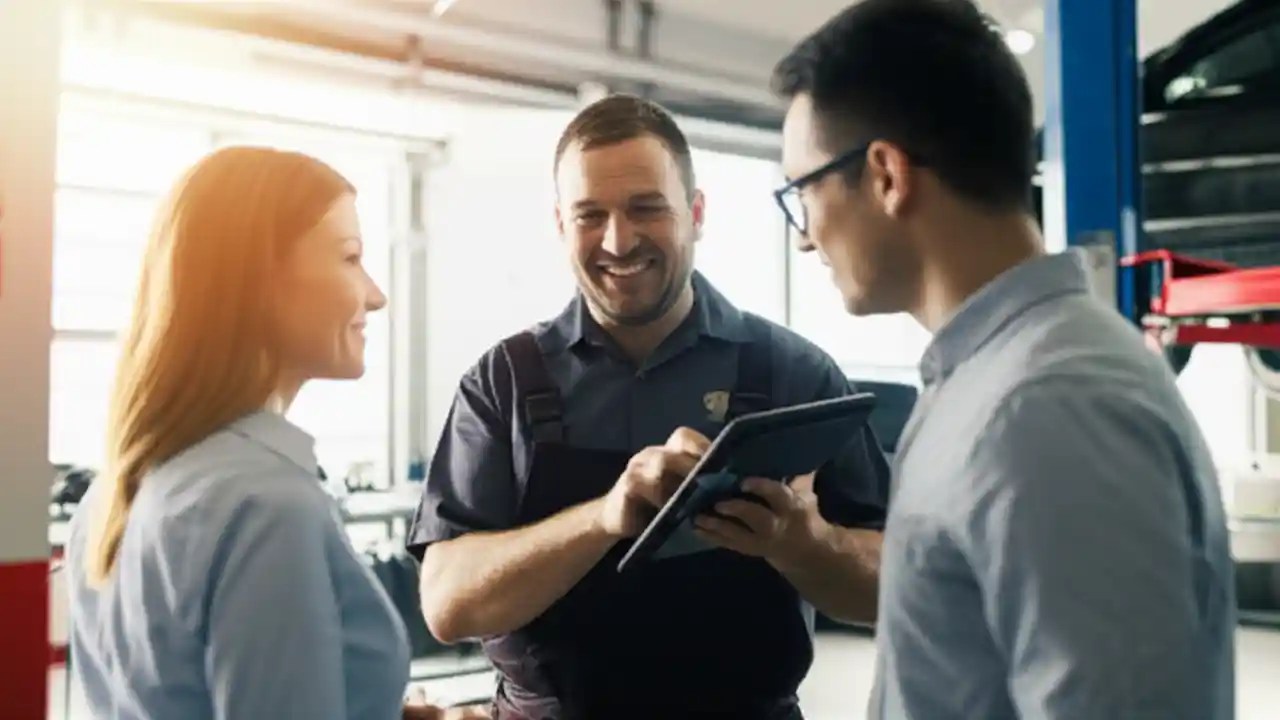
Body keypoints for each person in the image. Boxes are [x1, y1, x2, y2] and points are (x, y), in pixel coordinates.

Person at [772, 1, 1237, 719]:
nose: (804, 239)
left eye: (804, 193)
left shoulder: (1048, 407)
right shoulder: (987, 378)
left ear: (887, 175)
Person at [408, 94, 890, 719]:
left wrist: (802, 542)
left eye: (645, 208)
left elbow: (892, 587)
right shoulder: (502, 384)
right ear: (561, 225)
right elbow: (448, 606)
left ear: (695, 213)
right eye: (590, 215)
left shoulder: (797, 375)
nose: (618, 239)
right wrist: (602, 518)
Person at [64, 145, 455, 720]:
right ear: (258, 279)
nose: (375, 294)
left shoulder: (110, 499)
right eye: (349, 258)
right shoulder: (268, 506)